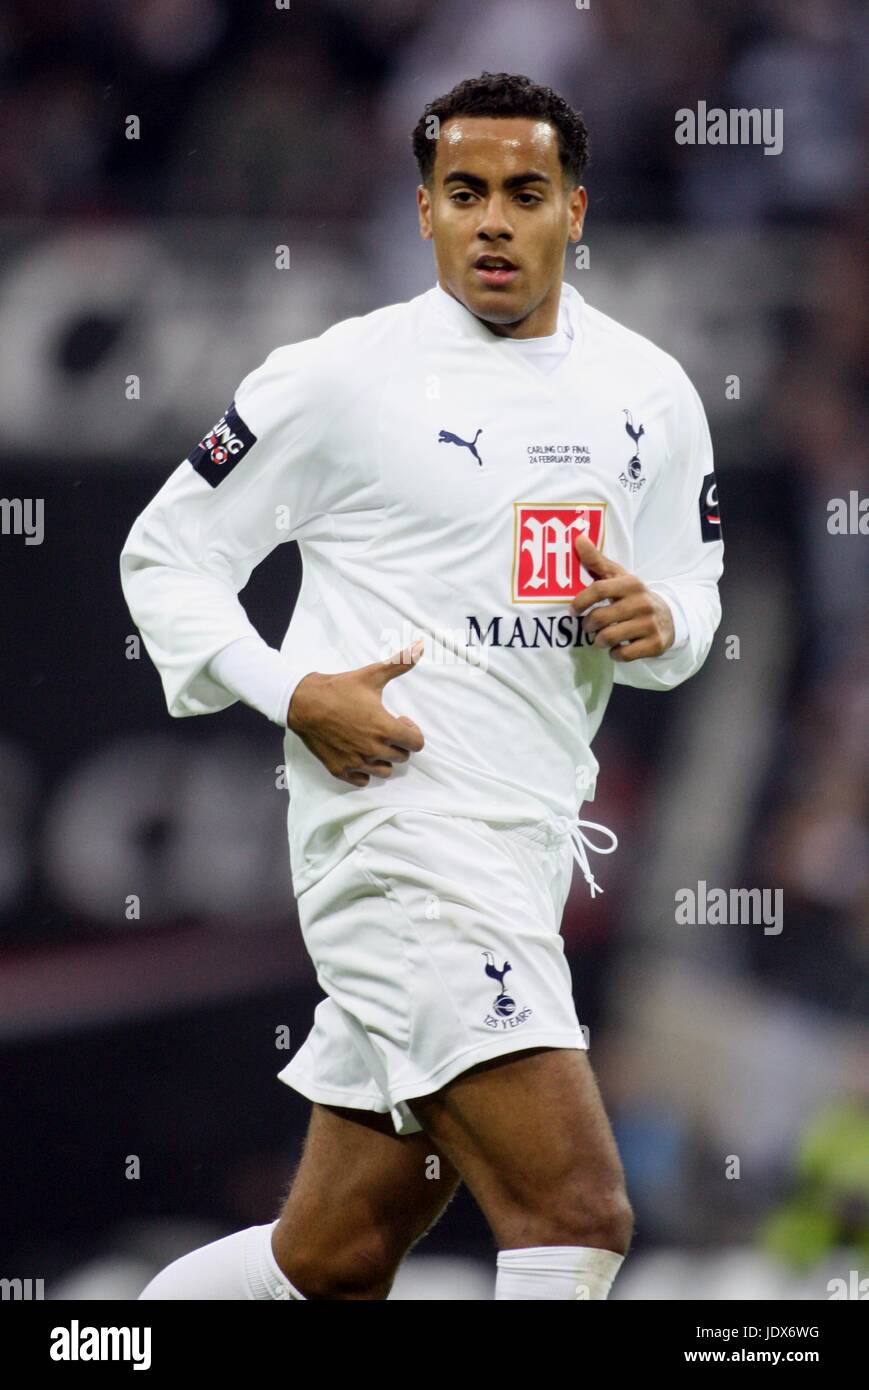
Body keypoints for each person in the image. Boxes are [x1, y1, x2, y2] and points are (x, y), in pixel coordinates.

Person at [122, 71, 723, 1301]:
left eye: (522, 192)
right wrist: (293, 692)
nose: (491, 220)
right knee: (574, 1204)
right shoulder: (339, 377)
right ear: (423, 213)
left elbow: (690, 600)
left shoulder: (651, 392)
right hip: (393, 836)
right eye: (463, 193)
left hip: (520, 843)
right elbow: (164, 555)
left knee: (332, 1255)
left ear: (575, 209)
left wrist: (659, 621)